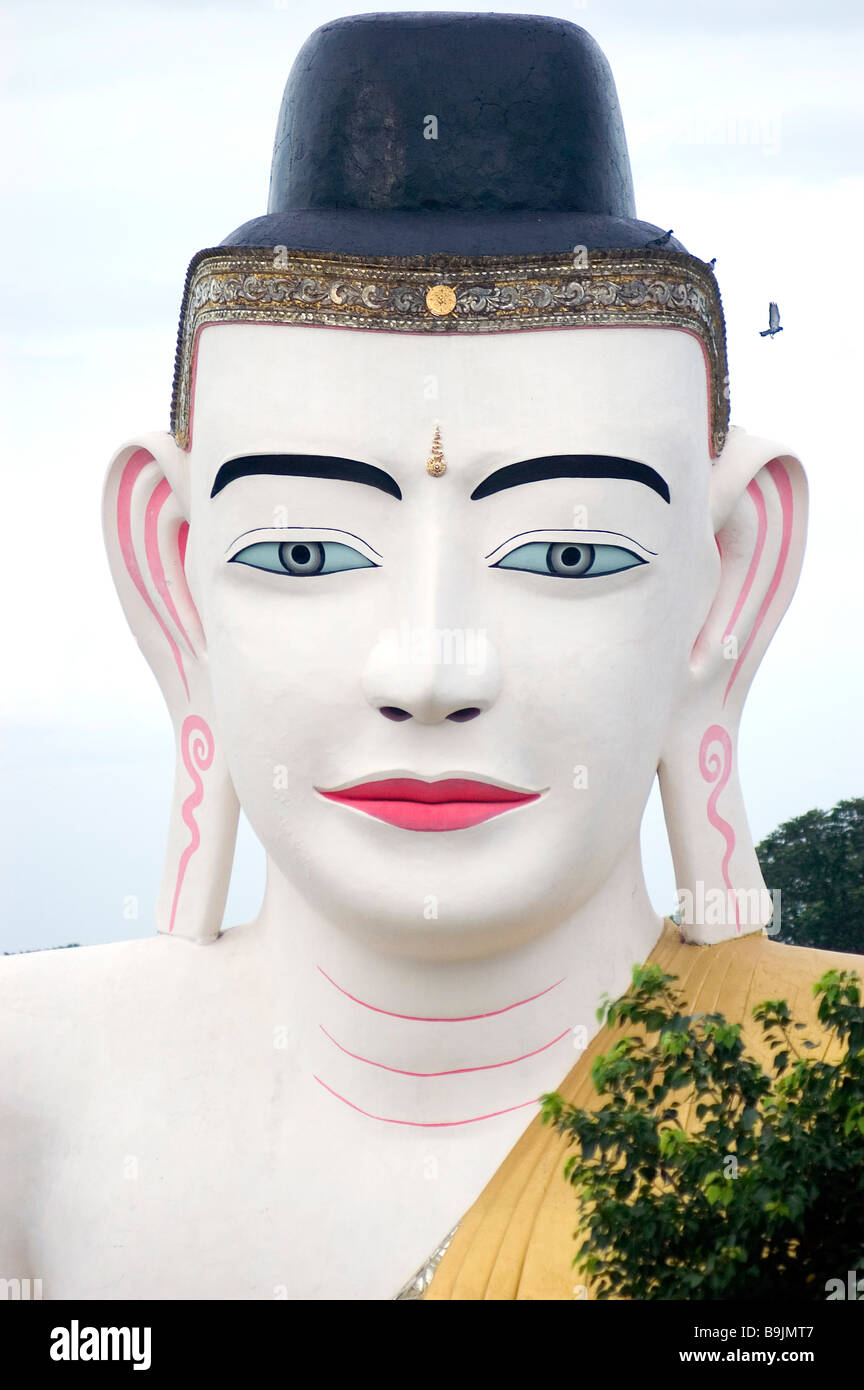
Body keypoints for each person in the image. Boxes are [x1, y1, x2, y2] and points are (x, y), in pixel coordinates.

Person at [1, 12, 859, 1302]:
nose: (432, 669)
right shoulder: (30, 1097)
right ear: (169, 573)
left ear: (726, 580)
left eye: (569, 553)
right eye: (303, 554)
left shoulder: (830, 1094)